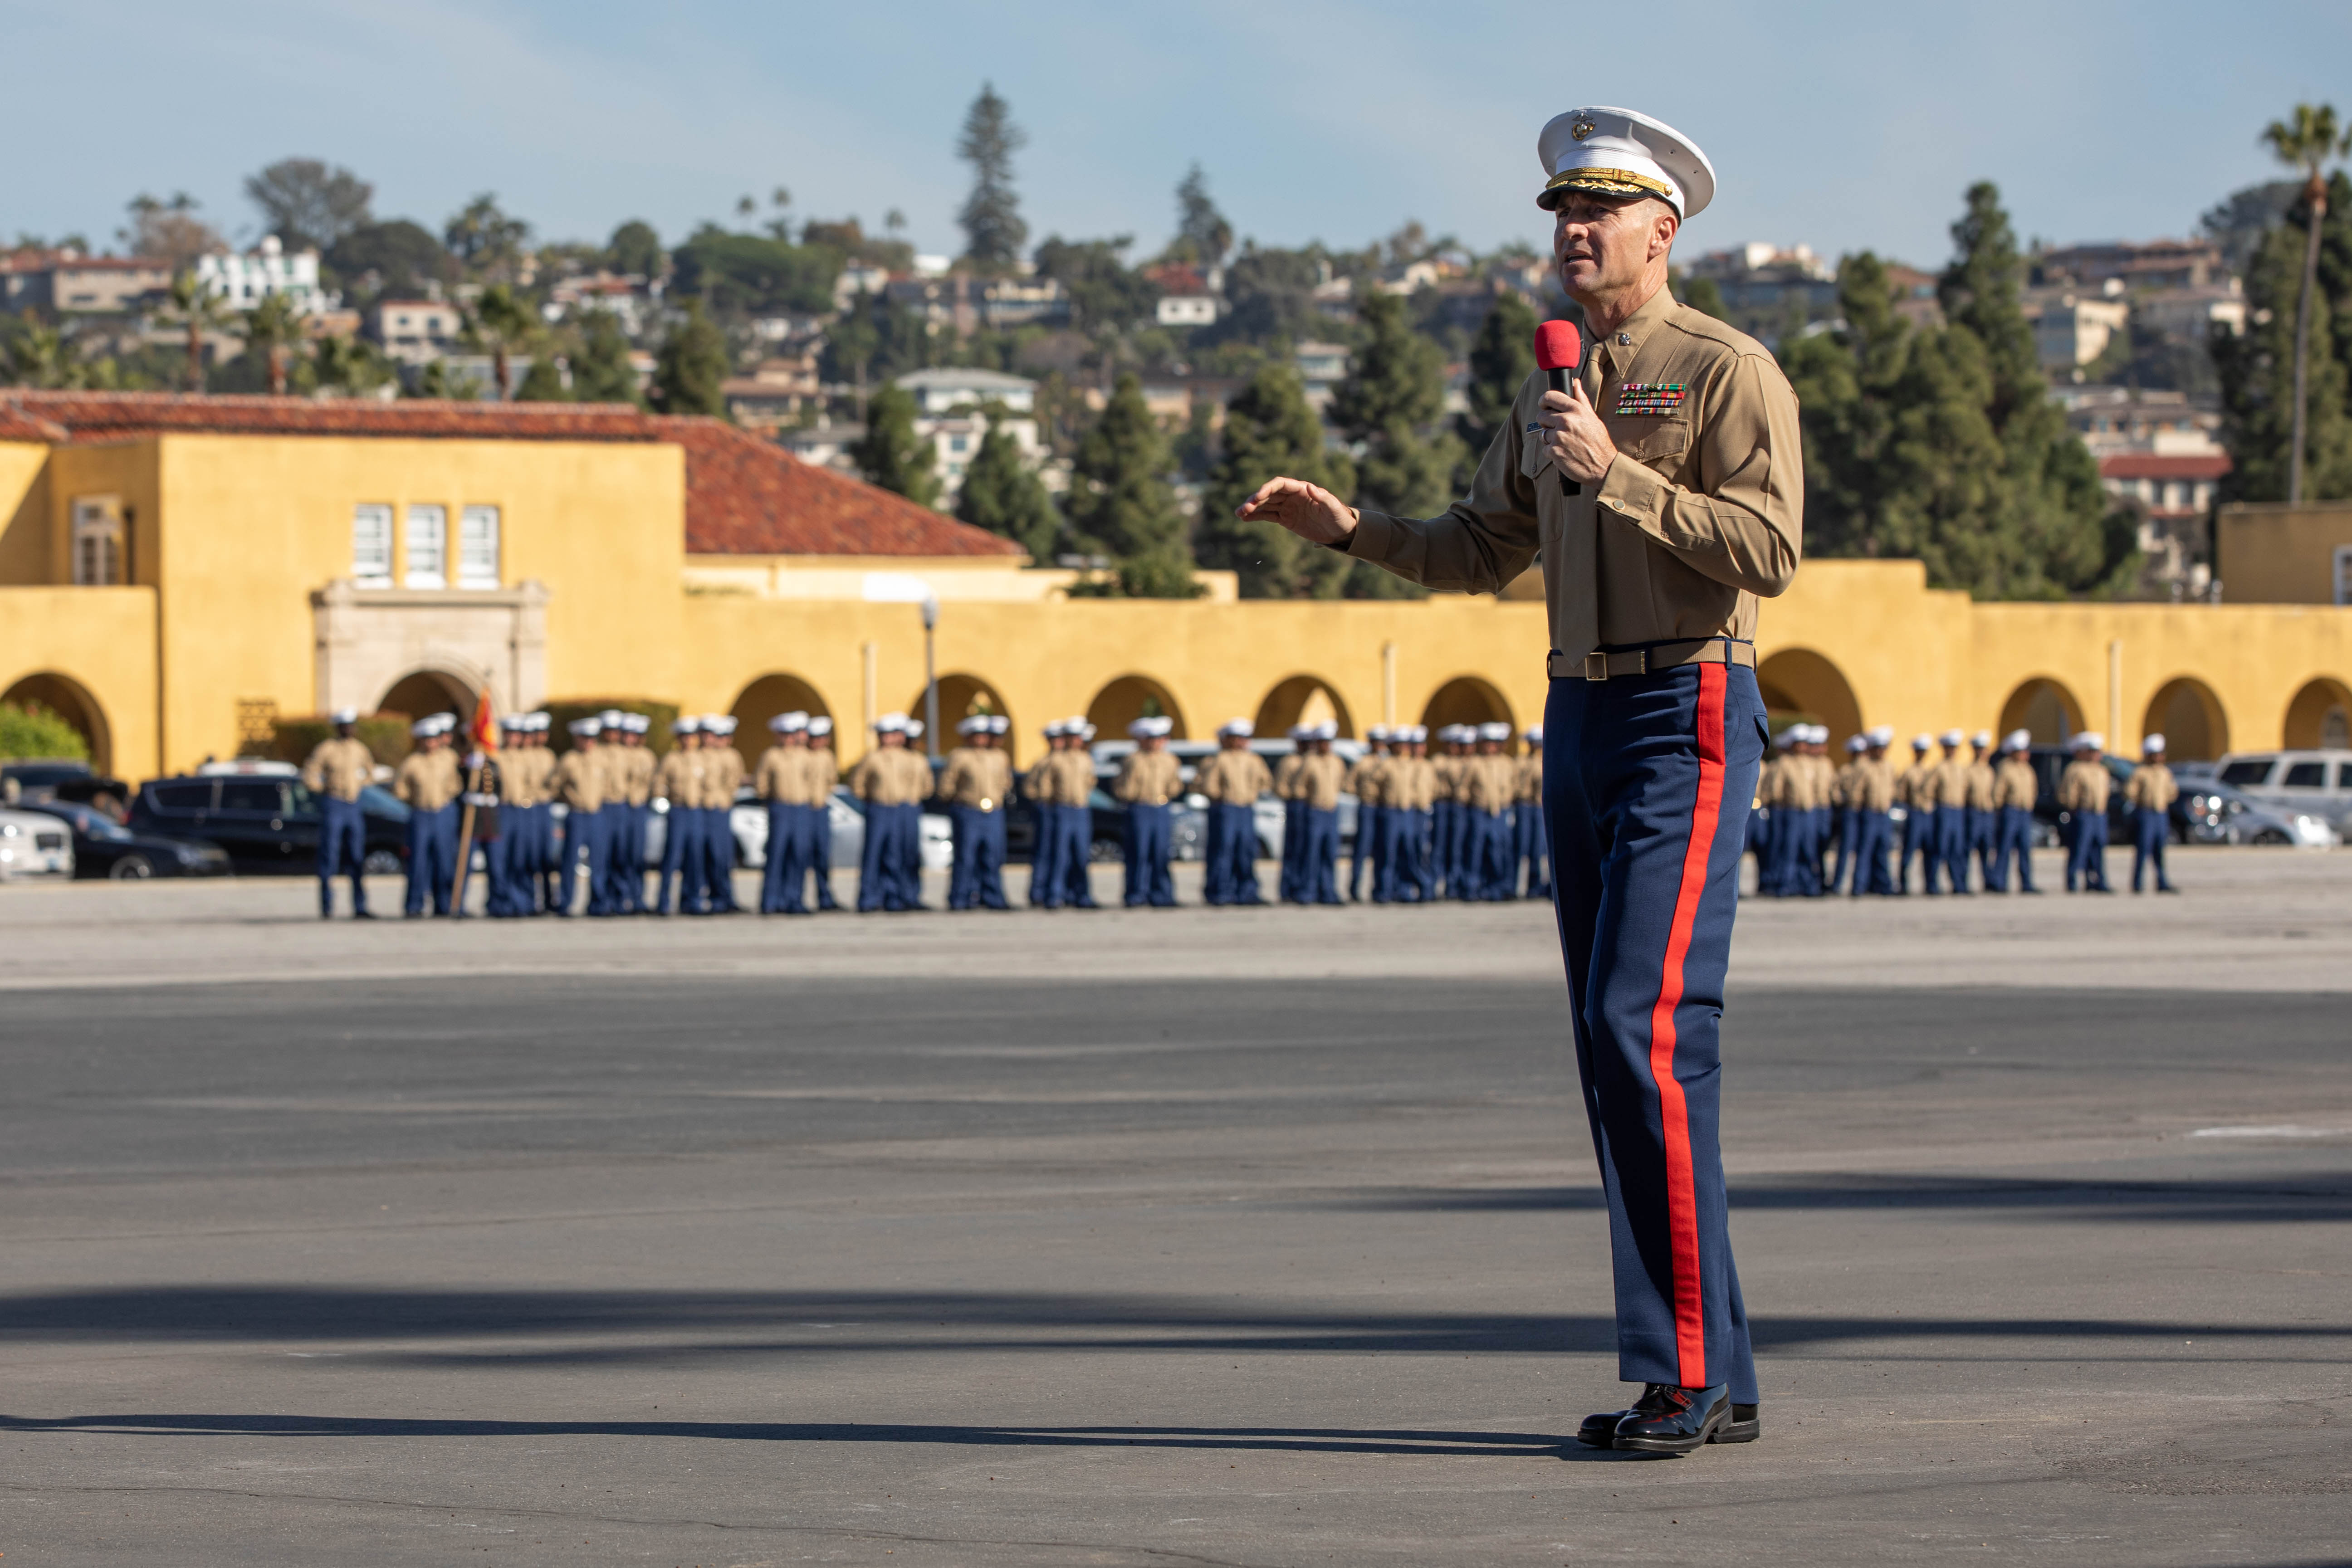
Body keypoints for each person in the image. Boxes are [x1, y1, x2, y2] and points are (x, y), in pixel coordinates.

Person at [1237, 104, 1792, 1452]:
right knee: (1624, 1053)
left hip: (1685, 701)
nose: (1574, 233)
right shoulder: (1545, 398)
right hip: (1580, 715)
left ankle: (1681, 1371)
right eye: (1560, 213)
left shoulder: (1724, 371)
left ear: (1664, 232)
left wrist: (1625, 481)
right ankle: (1721, 1367)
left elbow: (1768, 550)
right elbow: (1481, 550)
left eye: (1599, 212)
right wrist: (1354, 531)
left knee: (1639, 1028)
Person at [300, 706, 376, 919]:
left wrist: (361, 785)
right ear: (338, 728)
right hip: (334, 802)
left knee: (356, 856)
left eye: (351, 726)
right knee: (329, 855)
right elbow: (310, 773)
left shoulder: (360, 749)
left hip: (353, 804)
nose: (349, 730)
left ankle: (359, 906)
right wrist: (322, 789)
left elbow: (370, 772)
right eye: (345, 726)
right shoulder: (327, 749)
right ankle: (327, 906)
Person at [849, 713, 930, 912]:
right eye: (884, 734)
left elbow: (924, 785)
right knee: (874, 854)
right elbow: (858, 784)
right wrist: (870, 798)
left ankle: (896, 897)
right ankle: (869, 898)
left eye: (893, 734)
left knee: (899, 854)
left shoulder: (911, 758)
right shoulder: (872, 758)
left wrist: (912, 799)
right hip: (879, 807)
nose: (888, 738)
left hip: (903, 808)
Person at [941, 713, 1013, 910]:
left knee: (993, 856)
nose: (982, 739)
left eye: (985, 735)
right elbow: (948, 785)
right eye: (977, 735)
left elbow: (1006, 782)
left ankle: (993, 896)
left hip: (993, 811)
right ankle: (960, 898)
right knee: (966, 857)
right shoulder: (960, 756)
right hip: (968, 810)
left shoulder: (999, 756)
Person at [394, 713, 462, 917]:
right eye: (427, 739)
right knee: (418, 863)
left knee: (444, 862)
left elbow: (456, 784)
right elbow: (400, 789)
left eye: (434, 739)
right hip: (421, 814)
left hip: (442, 812)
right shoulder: (412, 762)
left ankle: (443, 904)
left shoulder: (448, 759)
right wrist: (413, 800)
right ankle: (414, 905)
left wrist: (447, 796)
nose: (431, 743)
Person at [1199, 719, 1271, 906]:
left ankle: (1247, 892)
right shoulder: (1219, 759)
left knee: (1246, 851)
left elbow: (1265, 782)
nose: (1242, 742)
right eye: (1238, 738)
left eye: (1245, 738)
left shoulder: (1254, 760)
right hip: (1225, 808)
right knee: (1223, 850)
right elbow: (1209, 786)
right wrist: (1221, 797)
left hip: (1246, 808)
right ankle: (1220, 891)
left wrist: (1252, 793)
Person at [1112, 715, 1182, 907]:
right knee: (1139, 853)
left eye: (1160, 738)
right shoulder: (1132, 760)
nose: (1156, 742)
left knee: (1161, 854)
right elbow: (1121, 787)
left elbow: (1175, 785)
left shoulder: (1169, 760)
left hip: (1161, 807)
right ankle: (1135, 894)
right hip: (1139, 807)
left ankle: (1162, 894)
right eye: (1151, 738)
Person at [755, 711, 817, 914]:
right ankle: (771, 901)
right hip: (780, 807)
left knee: (799, 856)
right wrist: (770, 800)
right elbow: (762, 784)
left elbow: (813, 781)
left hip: (801, 808)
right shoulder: (771, 756)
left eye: (793, 734)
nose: (789, 738)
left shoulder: (806, 756)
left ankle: (794, 900)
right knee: (777, 855)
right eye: (785, 734)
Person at [552, 716, 609, 915]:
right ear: (577, 739)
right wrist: (568, 799)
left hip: (597, 815)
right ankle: (566, 903)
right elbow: (555, 786)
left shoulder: (602, 758)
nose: (588, 742)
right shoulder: (569, 760)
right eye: (584, 738)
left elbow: (610, 785)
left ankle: (598, 903)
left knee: (599, 861)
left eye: (592, 738)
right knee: (570, 861)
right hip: (576, 814)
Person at [653, 717, 705, 915]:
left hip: (697, 811)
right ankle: (664, 902)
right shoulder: (671, 759)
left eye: (691, 736)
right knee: (672, 857)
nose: (688, 740)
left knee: (695, 858)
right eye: (684, 737)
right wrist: (663, 800)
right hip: (678, 810)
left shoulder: (701, 758)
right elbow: (660, 782)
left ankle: (692, 901)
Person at [1385, 725, 1438, 903]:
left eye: (1420, 744)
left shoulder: (1425, 766)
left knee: (1419, 852)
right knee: (1404, 852)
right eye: (1413, 745)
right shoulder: (1405, 765)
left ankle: (1424, 887)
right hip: (1409, 812)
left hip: (1421, 812)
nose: (1417, 749)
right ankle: (1403, 888)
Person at [699, 715, 745, 913]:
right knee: (701, 857)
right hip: (702, 810)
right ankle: (703, 897)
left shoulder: (731, 756)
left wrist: (726, 798)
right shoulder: (701, 755)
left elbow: (734, 781)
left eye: (724, 736)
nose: (719, 740)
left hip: (720, 810)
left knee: (722, 857)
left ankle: (723, 897)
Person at [1054, 718, 1101, 909]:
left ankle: (1082, 895)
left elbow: (1091, 783)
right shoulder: (1057, 760)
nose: (1076, 741)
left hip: (1081, 809)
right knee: (1060, 855)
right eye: (1072, 737)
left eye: (1079, 737)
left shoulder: (1086, 760)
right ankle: (1056, 895)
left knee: (1081, 856)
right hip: (1062, 808)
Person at [2059, 733, 2114, 893]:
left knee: (2098, 848)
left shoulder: (2101, 770)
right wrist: (2074, 808)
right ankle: (2072, 881)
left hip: (2099, 814)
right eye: (2093, 751)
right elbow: (2068, 794)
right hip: (2083, 813)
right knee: (2079, 848)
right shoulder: (2076, 769)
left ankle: (2097, 881)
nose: (2097, 755)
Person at [1846, 727, 1898, 896]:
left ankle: (1883, 885)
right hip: (1869, 812)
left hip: (1884, 813)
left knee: (1883, 851)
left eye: (1884, 748)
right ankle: (1859, 886)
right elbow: (1857, 791)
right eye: (1878, 748)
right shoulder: (1866, 767)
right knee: (1865, 850)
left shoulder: (1889, 767)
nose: (1881, 752)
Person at [1989, 730, 2042, 894]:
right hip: (2010, 811)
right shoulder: (2006, 768)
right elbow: (1998, 792)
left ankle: (2026, 883)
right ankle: (1999, 882)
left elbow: (2033, 790)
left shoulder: (2027, 769)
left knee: (2025, 849)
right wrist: (2000, 810)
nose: (2026, 754)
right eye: (2022, 751)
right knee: (2005, 847)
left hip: (2025, 812)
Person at [2126, 733, 2179, 894]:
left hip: (2161, 813)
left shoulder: (2165, 773)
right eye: (2156, 754)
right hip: (2146, 813)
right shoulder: (2141, 772)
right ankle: (2137, 883)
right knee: (2143, 849)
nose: (2159, 757)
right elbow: (2130, 792)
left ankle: (2162, 882)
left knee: (2159, 850)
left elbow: (2172, 792)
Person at [1025, 720, 1069, 909]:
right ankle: (1038, 892)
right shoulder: (1042, 762)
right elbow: (1030, 788)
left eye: (1059, 739)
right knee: (1044, 851)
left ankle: (1060, 892)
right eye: (1053, 739)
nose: (1057, 743)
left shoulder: (1069, 760)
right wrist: (1041, 799)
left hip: (1063, 808)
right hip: (1047, 808)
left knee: (1062, 853)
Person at [1346, 726, 1392, 903]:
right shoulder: (1362, 763)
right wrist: (1363, 792)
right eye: (1377, 743)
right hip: (1367, 806)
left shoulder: (1388, 762)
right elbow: (1349, 785)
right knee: (1362, 849)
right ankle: (1354, 889)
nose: (1380, 746)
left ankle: (1381, 890)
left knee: (1384, 850)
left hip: (1385, 808)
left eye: (1382, 743)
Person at [806, 716, 844, 911]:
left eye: (822, 737)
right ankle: (793, 898)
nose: (818, 742)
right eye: (814, 737)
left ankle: (825, 897)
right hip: (803, 810)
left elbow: (831, 781)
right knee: (798, 857)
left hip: (821, 809)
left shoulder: (827, 757)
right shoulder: (802, 755)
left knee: (823, 857)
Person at [1895, 735, 1936, 894]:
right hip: (1915, 813)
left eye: (1924, 751)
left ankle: (1931, 885)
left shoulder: (1931, 771)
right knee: (1909, 851)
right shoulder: (1909, 772)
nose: (1921, 754)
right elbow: (1901, 794)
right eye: (1919, 751)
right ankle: (1903, 885)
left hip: (1928, 814)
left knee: (1930, 852)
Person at [1516, 725, 1550, 899]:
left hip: (1540, 807)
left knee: (1539, 848)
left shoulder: (1547, 759)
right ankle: (1520, 885)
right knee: (1523, 847)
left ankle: (1536, 885)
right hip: (1526, 805)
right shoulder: (1523, 762)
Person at [1965, 730, 1999, 891]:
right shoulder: (1969, 771)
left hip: (1987, 813)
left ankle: (1989, 882)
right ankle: (1963, 883)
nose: (1983, 752)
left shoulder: (1989, 771)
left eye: (1985, 749)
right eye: (1980, 749)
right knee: (1968, 849)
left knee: (1988, 850)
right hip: (1974, 812)